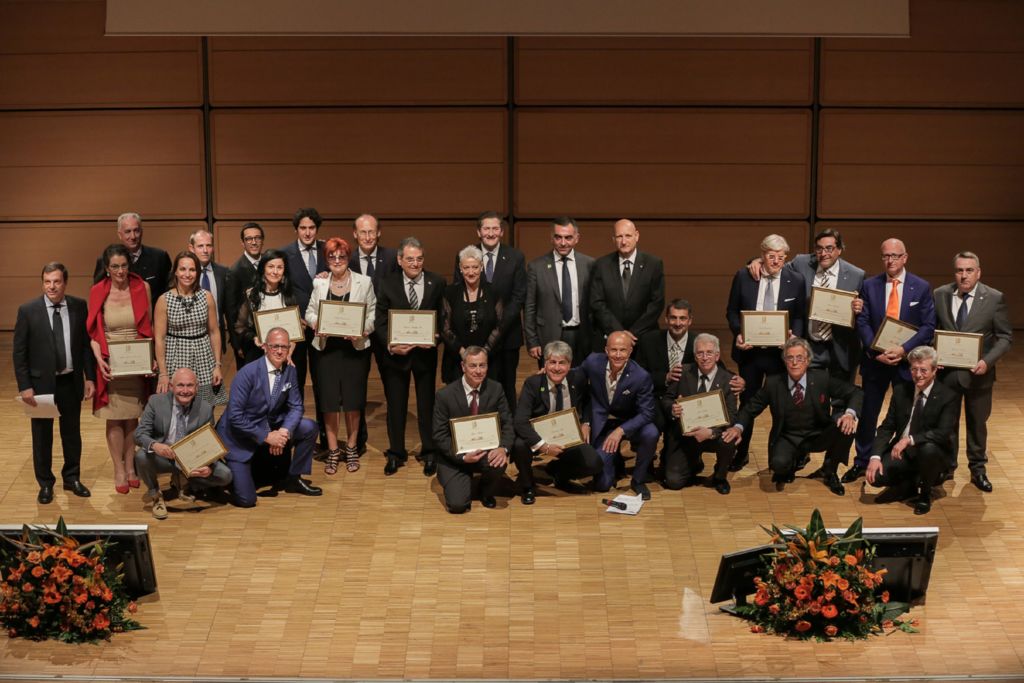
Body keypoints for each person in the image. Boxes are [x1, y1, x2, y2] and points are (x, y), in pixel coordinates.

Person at [845, 238, 936, 484]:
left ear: (905, 258)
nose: (890, 260)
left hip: (906, 363)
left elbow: (928, 326)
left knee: (905, 413)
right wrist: (876, 352)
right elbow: (862, 321)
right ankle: (862, 461)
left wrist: (904, 350)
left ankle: (901, 462)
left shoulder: (921, 287)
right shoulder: (869, 285)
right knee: (868, 413)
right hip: (876, 361)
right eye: (886, 256)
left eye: (895, 256)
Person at [722, 337, 862, 494]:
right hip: (788, 437)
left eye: (799, 358)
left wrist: (849, 414)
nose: (795, 363)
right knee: (779, 465)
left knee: (847, 428)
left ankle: (830, 471)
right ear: (785, 361)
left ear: (807, 361)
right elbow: (750, 408)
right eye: (790, 358)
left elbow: (856, 392)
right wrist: (738, 427)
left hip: (817, 434)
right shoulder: (773, 383)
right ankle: (792, 463)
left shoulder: (821, 378)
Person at [13, 262, 96, 504]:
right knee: (42, 437)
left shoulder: (79, 306)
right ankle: (45, 484)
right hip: (39, 386)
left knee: (72, 434)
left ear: (65, 283)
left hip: (70, 382)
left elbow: (85, 346)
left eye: (57, 281)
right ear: (42, 283)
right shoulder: (28, 310)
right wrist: (24, 386)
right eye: (47, 281)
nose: (52, 286)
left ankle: (72, 478)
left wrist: (90, 377)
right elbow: (19, 353)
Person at [725, 233, 807, 472]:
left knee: (780, 407)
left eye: (781, 257)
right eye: (771, 256)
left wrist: (794, 338)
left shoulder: (796, 280)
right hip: (750, 354)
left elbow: (799, 315)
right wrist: (738, 333)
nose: (776, 261)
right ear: (762, 255)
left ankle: (779, 457)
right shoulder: (744, 276)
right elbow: (731, 311)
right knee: (747, 403)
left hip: (780, 356)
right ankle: (741, 453)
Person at [216, 327, 322, 507]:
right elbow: (235, 417)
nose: (280, 351)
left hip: (270, 424)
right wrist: (267, 437)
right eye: (275, 346)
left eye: (284, 347)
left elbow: (296, 406)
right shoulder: (247, 373)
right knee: (247, 500)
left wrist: (283, 432)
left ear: (289, 348)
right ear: (265, 347)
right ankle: (218, 481)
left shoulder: (290, 370)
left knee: (309, 427)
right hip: (239, 437)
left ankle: (294, 478)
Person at [932, 251, 1012, 492]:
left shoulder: (994, 298)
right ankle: (947, 467)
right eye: (959, 270)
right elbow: (932, 329)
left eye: (969, 270)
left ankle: (978, 470)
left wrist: (987, 361)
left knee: (977, 425)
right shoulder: (940, 294)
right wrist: (935, 354)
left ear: (978, 273)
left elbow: (1005, 337)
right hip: (947, 374)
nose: (964, 275)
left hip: (979, 375)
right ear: (954, 272)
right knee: (947, 423)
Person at [747, 228, 865, 381]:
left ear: (839, 250)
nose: (823, 253)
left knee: (841, 394)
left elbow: (865, 313)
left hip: (841, 347)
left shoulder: (857, 275)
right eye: (819, 248)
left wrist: (860, 307)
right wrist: (758, 261)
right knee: (809, 393)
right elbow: (775, 266)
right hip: (809, 345)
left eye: (829, 248)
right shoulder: (801, 263)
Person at [374, 237, 446, 477]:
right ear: (400, 260)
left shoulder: (437, 282)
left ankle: (429, 452)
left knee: (427, 406)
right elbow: (380, 321)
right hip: (397, 357)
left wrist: (436, 338)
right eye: (410, 259)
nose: (415, 263)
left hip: (425, 356)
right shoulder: (387, 283)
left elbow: (443, 317)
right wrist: (391, 345)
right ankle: (396, 452)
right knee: (396, 406)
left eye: (419, 259)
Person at [87, 244, 154, 494]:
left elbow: (148, 325)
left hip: (136, 360)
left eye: (124, 265)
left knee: (132, 416)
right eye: (114, 266)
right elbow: (94, 333)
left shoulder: (142, 287)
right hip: (110, 361)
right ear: (106, 268)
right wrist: (98, 358)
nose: (120, 271)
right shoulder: (97, 291)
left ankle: (130, 466)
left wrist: (150, 357)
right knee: (115, 417)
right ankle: (119, 469)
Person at [306, 237, 376, 475]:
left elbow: (373, 313)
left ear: (348, 258)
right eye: (332, 257)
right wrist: (318, 324)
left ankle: (352, 447)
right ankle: (334, 450)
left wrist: (362, 329)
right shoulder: (319, 283)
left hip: (354, 350)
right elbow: (310, 312)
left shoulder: (364, 282)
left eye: (342, 256)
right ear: (326, 260)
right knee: (329, 403)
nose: (337, 260)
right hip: (326, 350)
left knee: (353, 401)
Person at [866, 346, 958, 515]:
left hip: (932, 453)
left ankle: (925, 494)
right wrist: (875, 457)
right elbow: (887, 427)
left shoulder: (948, 395)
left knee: (928, 449)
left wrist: (910, 439)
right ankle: (910, 484)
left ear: (934, 370)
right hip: (903, 453)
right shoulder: (901, 390)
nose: (918, 375)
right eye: (914, 369)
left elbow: (943, 433)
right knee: (875, 477)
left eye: (924, 370)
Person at [133, 368, 233, 520]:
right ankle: (156, 495)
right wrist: (155, 445)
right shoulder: (155, 402)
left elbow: (208, 444)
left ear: (197, 387)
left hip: (192, 460)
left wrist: (208, 466)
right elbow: (139, 434)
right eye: (180, 385)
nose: (185, 391)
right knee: (141, 456)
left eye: (190, 385)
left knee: (225, 475)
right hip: (164, 457)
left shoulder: (205, 408)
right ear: (171, 387)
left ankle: (189, 483)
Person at [513, 341, 602, 504]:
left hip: (567, 435)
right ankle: (527, 486)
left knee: (594, 463)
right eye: (552, 362)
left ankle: (558, 473)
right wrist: (544, 446)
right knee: (519, 445)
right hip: (539, 437)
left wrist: (586, 423)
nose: (557, 368)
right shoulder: (533, 384)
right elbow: (520, 421)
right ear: (545, 364)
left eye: (562, 363)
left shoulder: (578, 378)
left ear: (570, 365)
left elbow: (588, 399)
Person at [452, 212, 526, 406]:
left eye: (495, 229)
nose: (491, 233)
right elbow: (459, 294)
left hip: (507, 336)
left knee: (507, 387)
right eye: (486, 229)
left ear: (501, 231)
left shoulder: (516, 257)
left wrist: (499, 325)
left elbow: (518, 296)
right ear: (479, 232)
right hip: (475, 338)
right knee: (475, 388)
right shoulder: (465, 255)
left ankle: (507, 424)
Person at [432, 346, 514, 513]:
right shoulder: (444, 395)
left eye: (482, 365)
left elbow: (507, 424)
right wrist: (462, 457)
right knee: (457, 506)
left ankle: (485, 490)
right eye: (473, 366)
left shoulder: (496, 389)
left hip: (484, 451)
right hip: (455, 457)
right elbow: (439, 435)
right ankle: (462, 480)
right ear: (463, 366)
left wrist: (503, 448)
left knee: (498, 461)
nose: (478, 371)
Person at [579, 331, 658, 499]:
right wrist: (585, 421)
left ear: (630, 351)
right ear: (606, 350)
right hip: (602, 424)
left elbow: (647, 412)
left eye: (623, 350)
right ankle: (615, 461)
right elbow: (574, 377)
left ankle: (638, 480)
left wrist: (621, 430)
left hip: (630, 423)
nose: (618, 355)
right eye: (614, 350)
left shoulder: (641, 376)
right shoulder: (593, 362)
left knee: (651, 432)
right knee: (602, 485)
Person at [348, 213, 400, 455]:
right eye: (363, 232)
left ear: (378, 233)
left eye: (371, 232)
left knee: (393, 389)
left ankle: (395, 446)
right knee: (357, 389)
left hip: (386, 332)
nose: (367, 237)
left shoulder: (392, 257)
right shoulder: (346, 258)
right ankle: (357, 442)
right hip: (356, 332)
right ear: (355, 234)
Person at [661, 334, 738, 494]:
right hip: (685, 436)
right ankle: (694, 463)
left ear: (717, 356)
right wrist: (672, 408)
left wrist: (712, 432)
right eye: (700, 353)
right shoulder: (682, 372)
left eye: (709, 352)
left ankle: (720, 476)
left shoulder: (728, 380)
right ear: (695, 356)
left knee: (729, 439)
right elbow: (667, 398)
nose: (704, 357)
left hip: (713, 435)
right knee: (673, 481)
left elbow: (731, 415)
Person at [279, 207, 328, 452]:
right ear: (296, 229)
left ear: (317, 229)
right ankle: (292, 435)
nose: (307, 232)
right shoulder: (285, 254)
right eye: (303, 228)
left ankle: (325, 439)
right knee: (294, 383)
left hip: (322, 327)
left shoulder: (328, 250)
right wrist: (294, 317)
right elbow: (283, 289)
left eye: (312, 228)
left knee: (322, 383)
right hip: (296, 327)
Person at [153, 252, 225, 406]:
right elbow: (160, 338)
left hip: (203, 357)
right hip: (175, 357)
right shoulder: (164, 300)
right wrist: (163, 373)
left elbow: (214, 332)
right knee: (175, 407)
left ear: (197, 272)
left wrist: (217, 365)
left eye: (192, 270)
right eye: (183, 269)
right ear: (175, 272)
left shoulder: (206, 296)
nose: (187, 274)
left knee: (205, 407)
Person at [524, 216, 595, 367]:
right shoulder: (536, 267)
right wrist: (532, 340)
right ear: (551, 238)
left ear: (577, 238)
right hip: (548, 337)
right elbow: (529, 307)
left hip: (582, 336)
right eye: (558, 237)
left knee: (580, 378)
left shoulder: (590, 264)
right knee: (551, 379)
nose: (563, 243)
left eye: (568, 238)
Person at [589, 219, 665, 350]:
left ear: (637, 236)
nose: (623, 241)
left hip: (643, 338)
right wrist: (619, 334)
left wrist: (633, 334)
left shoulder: (653, 264)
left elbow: (656, 304)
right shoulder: (601, 265)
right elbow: (597, 303)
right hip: (611, 339)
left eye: (628, 236)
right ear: (613, 239)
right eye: (619, 236)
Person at [441, 245, 507, 383]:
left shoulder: (494, 292)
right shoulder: (450, 293)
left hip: (488, 360)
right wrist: (463, 353)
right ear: (460, 268)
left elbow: (500, 325)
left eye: (475, 267)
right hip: (457, 360)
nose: (471, 272)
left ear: (481, 267)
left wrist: (483, 354)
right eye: (466, 267)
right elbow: (445, 327)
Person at [234, 249, 298, 365]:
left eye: (279, 267)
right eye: (271, 267)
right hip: (257, 355)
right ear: (263, 269)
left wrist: (288, 353)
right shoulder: (251, 295)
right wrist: (254, 338)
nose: (275, 271)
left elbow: (294, 332)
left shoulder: (289, 296)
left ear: (284, 271)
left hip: (284, 356)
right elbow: (240, 327)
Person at [93, 212, 171, 307]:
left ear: (142, 232)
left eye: (136, 231)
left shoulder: (160, 257)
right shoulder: (105, 260)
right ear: (120, 234)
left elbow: (169, 292)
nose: (133, 236)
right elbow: (98, 296)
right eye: (128, 232)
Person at [226, 222, 265, 368]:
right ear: (242, 243)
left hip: (269, 336)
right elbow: (231, 311)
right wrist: (237, 345)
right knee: (249, 378)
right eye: (249, 239)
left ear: (262, 240)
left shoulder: (269, 264)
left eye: (257, 238)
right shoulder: (235, 271)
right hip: (248, 340)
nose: (254, 242)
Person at [187, 229, 231, 354]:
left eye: (209, 245)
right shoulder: (184, 275)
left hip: (216, 338)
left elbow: (229, 309)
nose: (205, 250)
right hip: (189, 339)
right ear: (191, 248)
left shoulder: (223, 272)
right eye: (200, 246)